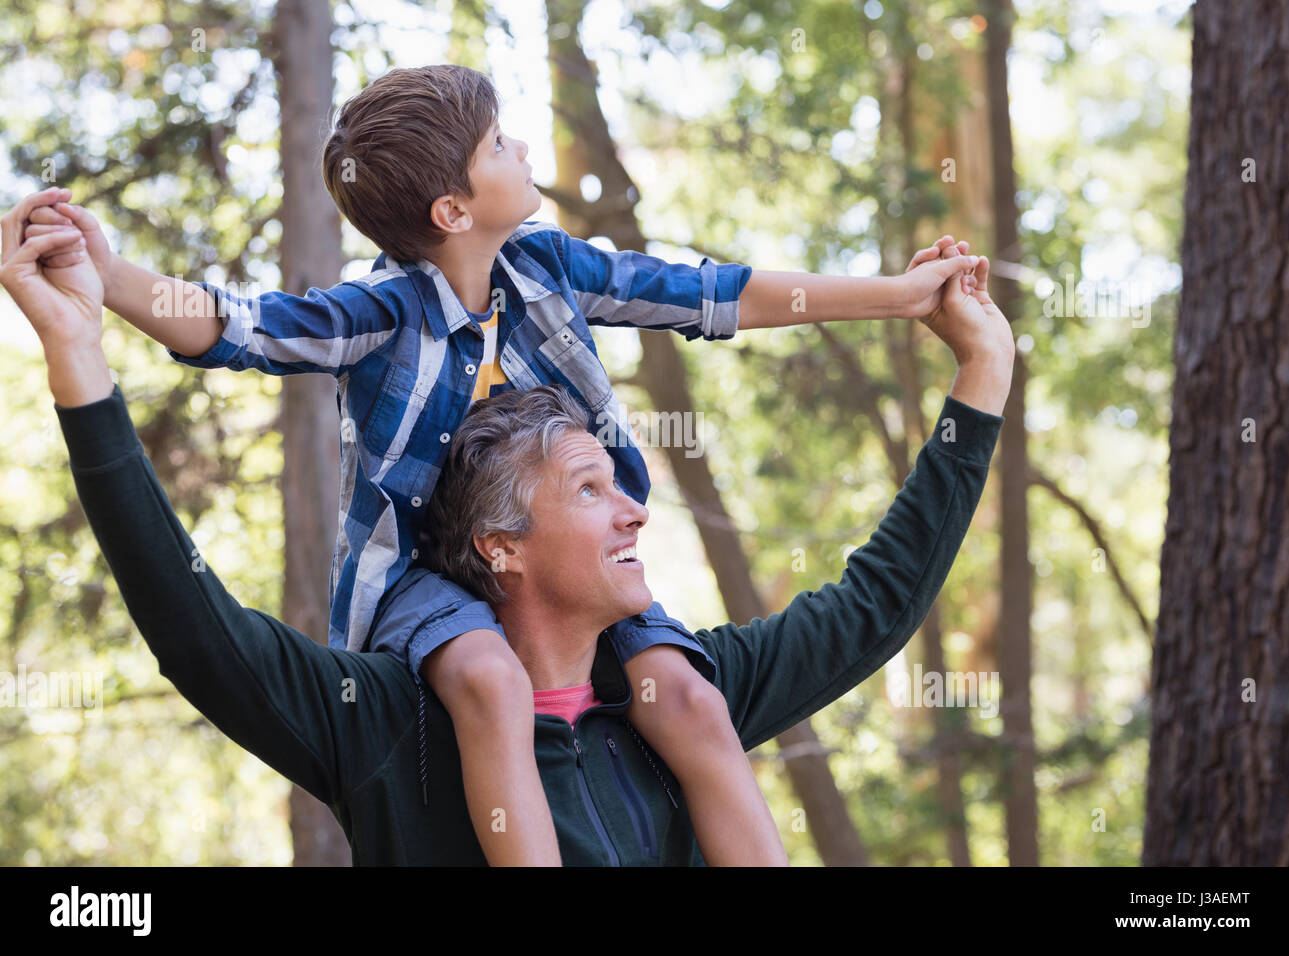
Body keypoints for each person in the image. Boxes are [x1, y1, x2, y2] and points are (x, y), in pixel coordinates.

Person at [19, 67, 984, 867]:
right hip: (425, 592)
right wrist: (107, 280)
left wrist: (899, 298)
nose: (520, 151)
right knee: (488, 678)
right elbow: (240, 328)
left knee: (688, 697)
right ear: (451, 207)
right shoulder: (379, 314)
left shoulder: (552, 268)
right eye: (498, 147)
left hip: (548, 578)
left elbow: (713, 294)